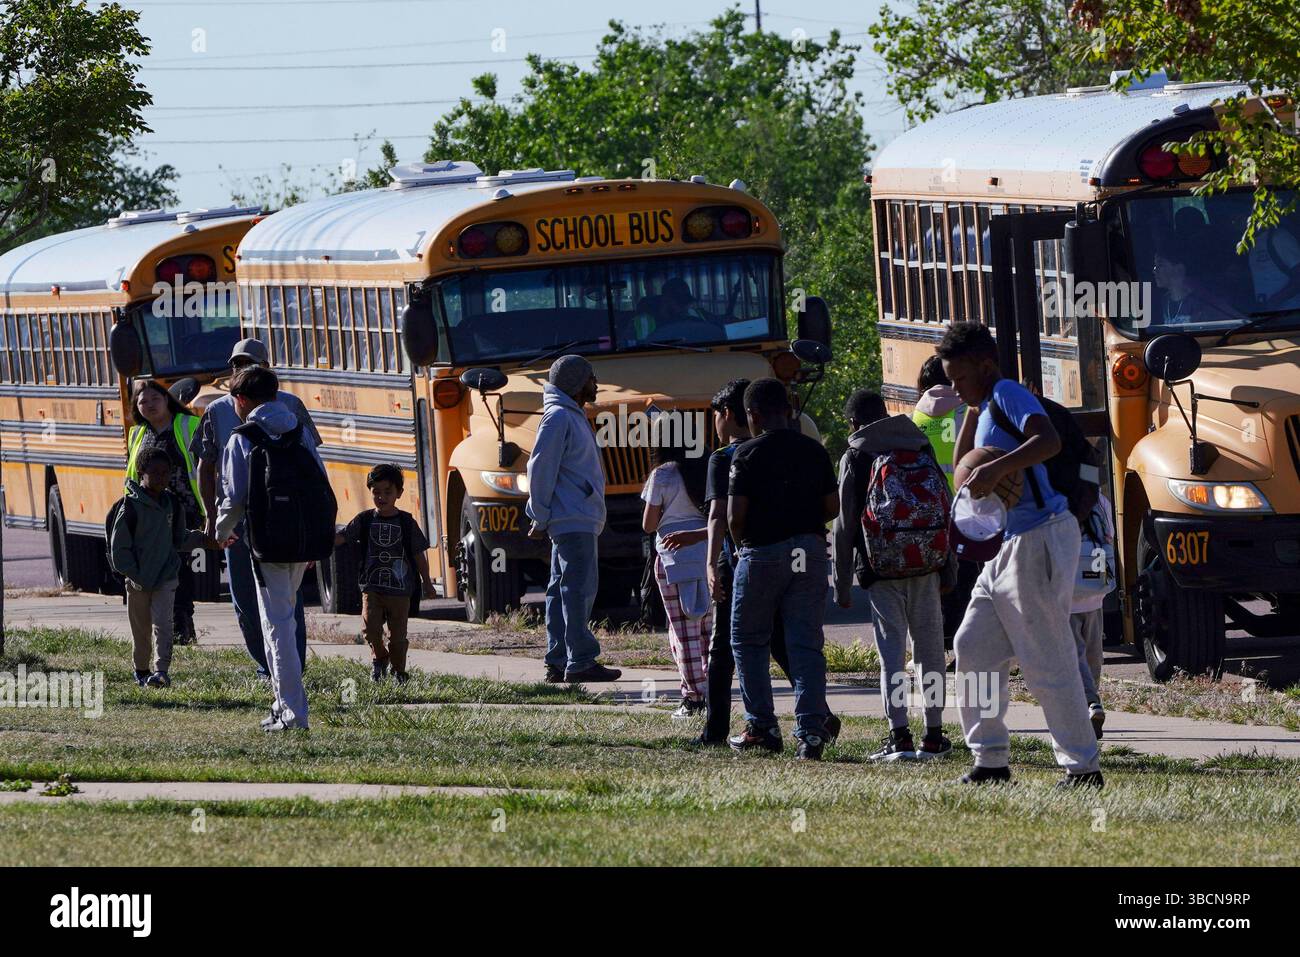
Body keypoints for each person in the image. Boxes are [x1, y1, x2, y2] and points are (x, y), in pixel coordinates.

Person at [938, 322, 1102, 787]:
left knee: (1047, 659)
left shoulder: (1008, 391)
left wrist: (996, 468)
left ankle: (1082, 768)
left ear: (987, 367)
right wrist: (971, 411)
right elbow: (961, 473)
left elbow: (1047, 440)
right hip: (1010, 545)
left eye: (960, 378)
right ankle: (990, 761)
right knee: (972, 646)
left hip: (1042, 537)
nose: (954, 387)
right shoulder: (986, 404)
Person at [832, 389, 951, 762]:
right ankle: (933, 735)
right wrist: (949, 564)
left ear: (853, 423)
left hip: (881, 569)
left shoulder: (855, 455)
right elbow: (944, 507)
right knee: (930, 651)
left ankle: (899, 736)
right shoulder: (920, 446)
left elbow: (844, 525)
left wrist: (841, 580)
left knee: (892, 655)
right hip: (927, 566)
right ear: (885, 414)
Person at [193, 338, 321, 676]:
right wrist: (211, 516)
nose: (242, 369)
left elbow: (312, 465)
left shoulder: (291, 406)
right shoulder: (218, 410)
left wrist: (315, 524)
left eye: (250, 362)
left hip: (284, 519)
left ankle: (291, 671)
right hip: (237, 524)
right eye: (236, 364)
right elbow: (206, 465)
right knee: (246, 603)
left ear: (266, 367)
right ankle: (267, 665)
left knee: (286, 603)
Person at [727, 378, 839, 760]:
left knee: (749, 638)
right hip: (808, 551)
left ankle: (762, 726)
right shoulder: (814, 451)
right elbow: (831, 507)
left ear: (752, 415)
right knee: (805, 643)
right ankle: (810, 732)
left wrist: (743, 545)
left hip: (762, 551)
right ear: (789, 409)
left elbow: (734, 516)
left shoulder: (745, 454)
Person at [213, 365, 326, 732]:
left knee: (276, 627)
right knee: (286, 618)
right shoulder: (298, 430)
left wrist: (220, 532)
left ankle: (292, 714)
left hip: (266, 545)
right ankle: (281, 705)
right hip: (302, 539)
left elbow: (234, 498)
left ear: (241, 400)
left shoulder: (242, 438)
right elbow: (320, 482)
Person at [525, 355, 622, 684]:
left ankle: (558, 660)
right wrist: (538, 514)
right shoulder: (558, 418)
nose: (595, 385)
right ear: (577, 383)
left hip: (575, 517)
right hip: (572, 519)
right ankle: (579, 660)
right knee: (578, 590)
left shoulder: (570, 415)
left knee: (561, 590)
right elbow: (539, 469)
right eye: (591, 379)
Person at [336, 464, 434, 684]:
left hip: (400, 590)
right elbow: (343, 537)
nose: (381, 497)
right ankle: (379, 658)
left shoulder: (407, 523)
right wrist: (318, 545)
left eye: (387, 492)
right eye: (376, 492)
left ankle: (399, 672)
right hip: (371, 587)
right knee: (370, 629)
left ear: (399, 493)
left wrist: (427, 582)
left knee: (398, 637)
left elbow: (419, 555)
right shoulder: (365, 520)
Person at [125, 379, 204, 645]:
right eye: (142, 401)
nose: (149, 405)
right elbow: (132, 475)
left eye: (154, 399)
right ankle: (169, 627)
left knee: (182, 569)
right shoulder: (137, 433)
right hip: (150, 516)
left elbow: (206, 467)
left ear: (167, 399)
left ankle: (183, 623)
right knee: (161, 570)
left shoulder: (189, 425)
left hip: (186, 511)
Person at [641, 436, 711, 718]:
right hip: (707, 553)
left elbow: (648, 523)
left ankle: (693, 697)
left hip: (673, 558)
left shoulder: (662, 474)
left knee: (683, 632)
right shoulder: (707, 466)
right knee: (707, 629)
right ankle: (711, 689)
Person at [111, 447, 192, 688]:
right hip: (137, 582)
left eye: (165, 473)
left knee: (164, 625)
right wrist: (135, 575)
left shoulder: (172, 505)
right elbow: (119, 551)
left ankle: (161, 671)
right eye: (154, 472)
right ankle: (141, 670)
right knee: (141, 630)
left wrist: (206, 540)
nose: (160, 478)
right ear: (140, 472)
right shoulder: (130, 508)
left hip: (166, 577)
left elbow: (180, 539)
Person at [912, 355, 978, 640]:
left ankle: (945, 635)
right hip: (965, 505)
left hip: (931, 509)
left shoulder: (918, 414)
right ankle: (967, 635)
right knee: (968, 576)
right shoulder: (965, 409)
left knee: (943, 575)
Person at [1073, 491, 1116, 740]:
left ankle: (1090, 703)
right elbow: (1109, 537)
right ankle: (1093, 703)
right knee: (1093, 657)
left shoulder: (1055, 497)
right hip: (1095, 591)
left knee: (1074, 656)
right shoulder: (1100, 500)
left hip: (1067, 592)